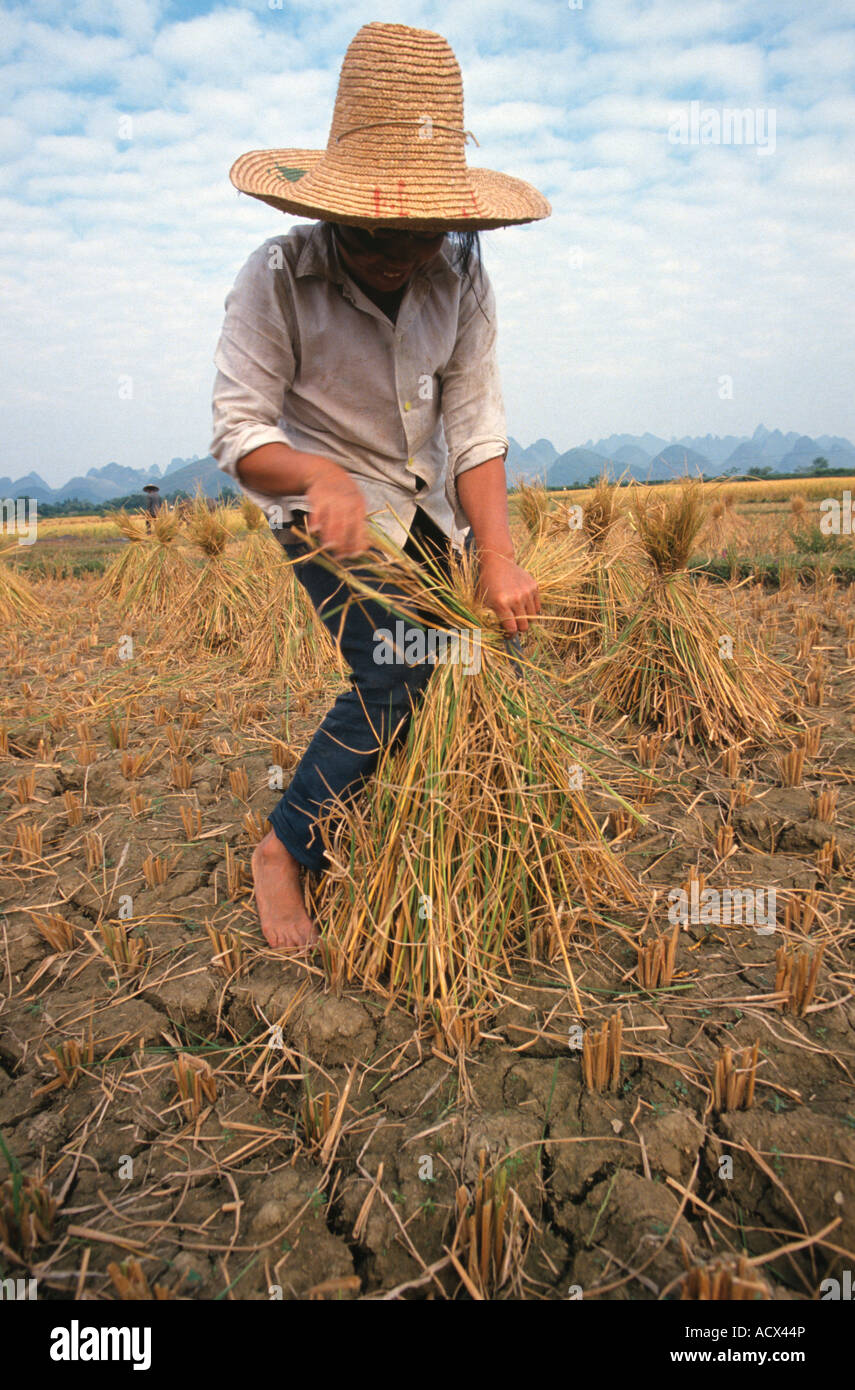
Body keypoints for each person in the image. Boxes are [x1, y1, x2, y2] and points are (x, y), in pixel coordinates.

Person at [210, 21, 551, 951]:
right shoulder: (275, 278)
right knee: (399, 661)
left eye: (423, 231)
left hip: (423, 499)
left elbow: (474, 424)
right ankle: (286, 850)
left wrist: (497, 554)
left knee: (490, 649)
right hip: (314, 501)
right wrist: (317, 476)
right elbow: (239, 433)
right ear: (330, 212)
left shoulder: (463, 274)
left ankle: (443, 825)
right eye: (373, 233)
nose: (400, 254)